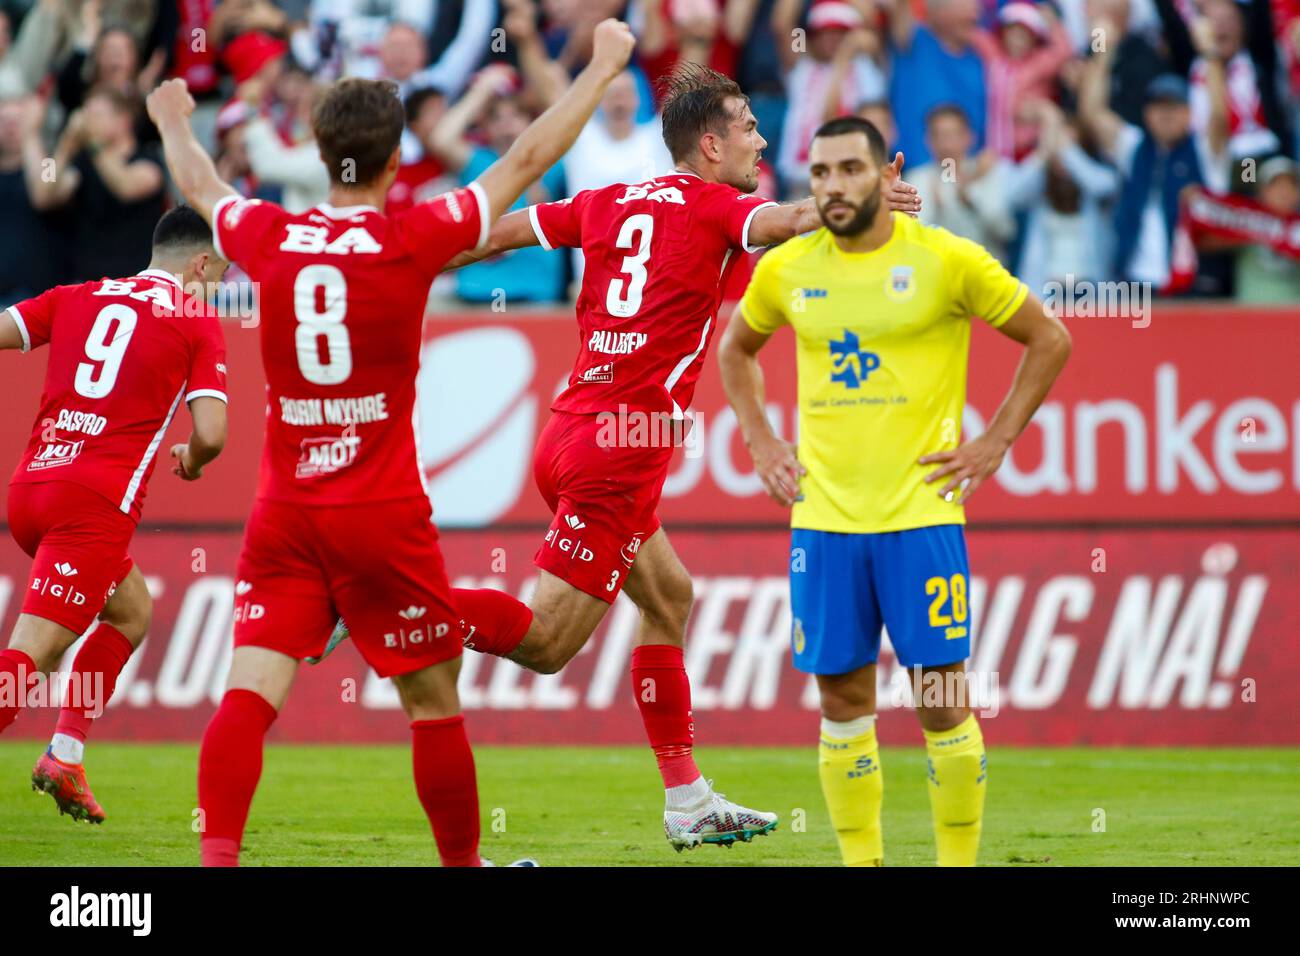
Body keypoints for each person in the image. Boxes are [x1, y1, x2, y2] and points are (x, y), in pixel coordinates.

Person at [145, 17, 637, 867]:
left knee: (248, 695)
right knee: (432, 705)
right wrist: (599, 70)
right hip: (379, 512)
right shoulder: (409, 237)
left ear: (319, 144)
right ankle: (462, 866)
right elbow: (521, 162)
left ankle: (216, 859)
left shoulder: (269, 235)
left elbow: (200, 183)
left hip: (286, 508)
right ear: (392, 155)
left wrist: (172, 118)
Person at [408, 62, 923, 852]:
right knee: (547, 645)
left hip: (569, 432)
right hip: (619, 453)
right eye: (749, 127)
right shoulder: (721, 207)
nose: (760, 140)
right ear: (710, 145)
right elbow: (784, 222)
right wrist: (852, 200)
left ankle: (686, 796)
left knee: (670, 596)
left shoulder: (609, 201)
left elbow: (501, 233)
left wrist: (395, 265)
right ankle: (395, 605)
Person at [716, 115, 1072, 866]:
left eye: (849, 169)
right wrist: (761, 439)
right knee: (842, 704)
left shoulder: (948, 261)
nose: (833, 186)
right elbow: (736, 350)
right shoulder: (787, 269)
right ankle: (863, 862)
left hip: (921, 519)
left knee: (941, 704)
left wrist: (995, 440)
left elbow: (1051, 338)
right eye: (818, 173)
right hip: (824, 522)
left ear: (888, 173)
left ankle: (957, 861)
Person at [0, 205, 230, 824]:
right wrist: (196, 459)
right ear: (201, 264)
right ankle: (61, 752)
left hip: (31, 489)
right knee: (31, 658)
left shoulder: (78, 295)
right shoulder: (195, 316)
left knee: (131, 611)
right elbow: (213, 431)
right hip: (93, 505)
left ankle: (66, 754)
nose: (218, 290)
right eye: (219, 275)